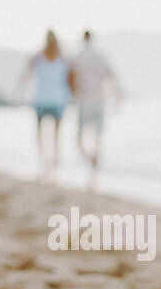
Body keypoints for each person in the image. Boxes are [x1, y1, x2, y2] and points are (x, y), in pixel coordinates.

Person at [68, 30, 120, 187]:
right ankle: (94, 168)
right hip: (100, 101)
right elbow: (113, 78)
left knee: (78, 138)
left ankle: (90, 161)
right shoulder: (100, 56)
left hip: (84, 101)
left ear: (82, 40)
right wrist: (119, 96)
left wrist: (73, 95)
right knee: (98, 138)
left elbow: (70, 79)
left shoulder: (77, 57)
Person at [20, 30, 72, 179]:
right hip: (58, 100)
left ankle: (43, 160)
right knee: (56, 136)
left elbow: (25, 75)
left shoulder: (37, 57)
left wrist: (19, 92)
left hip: (41, 99)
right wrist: (72, 96)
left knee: (40, 133)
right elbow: (70, 79)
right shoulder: (63, 58)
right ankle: (55, 163)